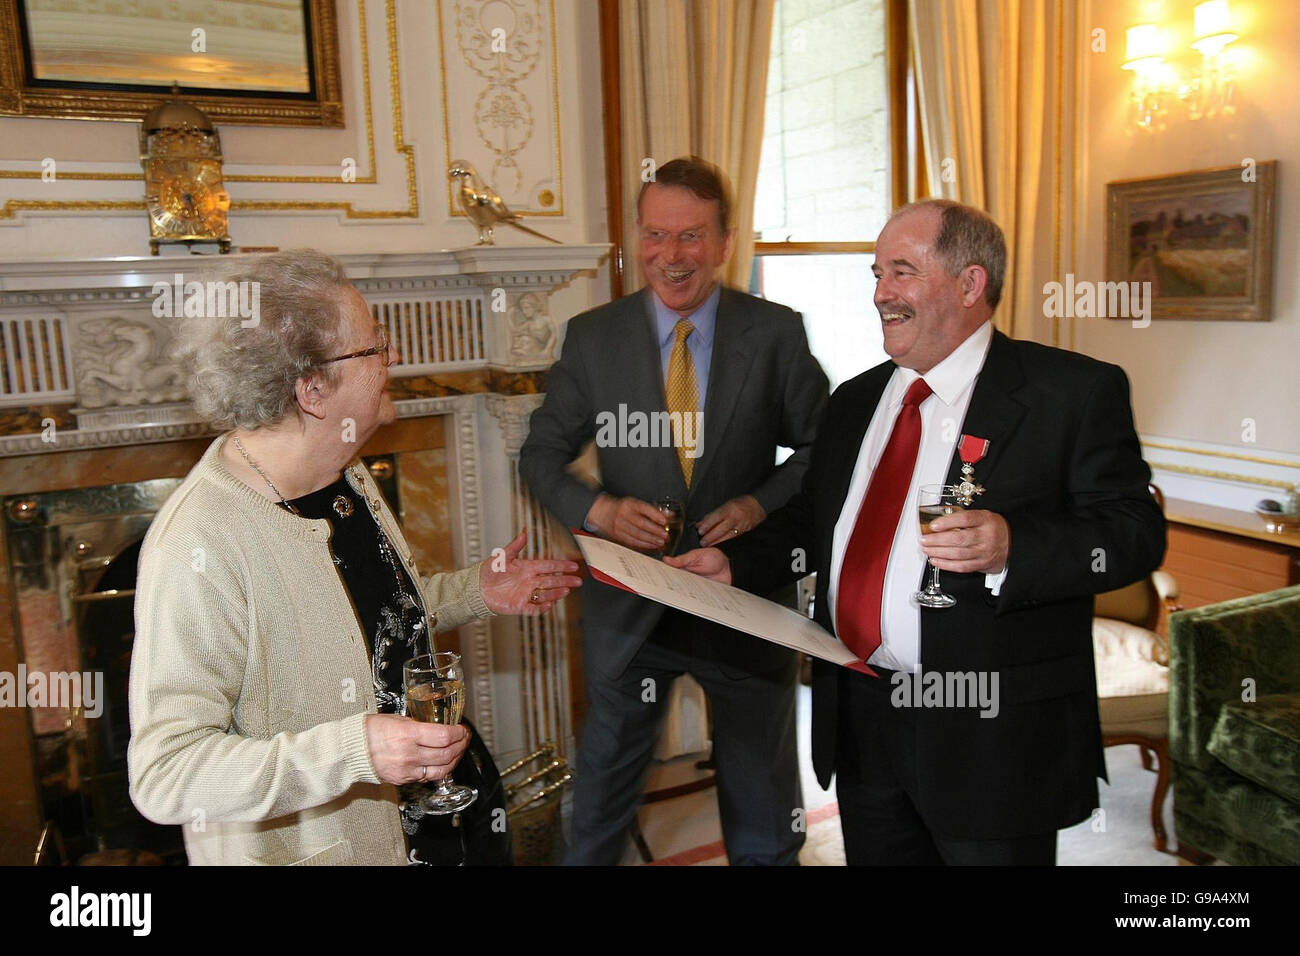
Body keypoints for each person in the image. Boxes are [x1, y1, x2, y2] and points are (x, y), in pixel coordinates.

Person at [669, 199, 1166, 865]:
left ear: (969, 283)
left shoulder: (1070, 393)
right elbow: (814, 523)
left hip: (993, 733)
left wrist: (1013, 546)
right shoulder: (853, 401)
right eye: (877, 275)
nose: (880, 294)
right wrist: (734, 565)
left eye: (901, 273)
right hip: (862, 713)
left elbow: (1133, 533)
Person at [127, 250, 583, 866]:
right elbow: (166, 774)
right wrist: (354, 752)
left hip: (443, 813)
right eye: (374, 348)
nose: (393, 359)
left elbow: (369, 621)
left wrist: (478, 590)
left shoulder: (340, 473)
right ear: (312, 389)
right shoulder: (200, 545)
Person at [519, 156, 829, 865]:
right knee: (597, 810)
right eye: (656, 235)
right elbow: (538, 456)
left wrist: (758, 503)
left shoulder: (776, 333)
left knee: (763, 817)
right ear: (636, 238)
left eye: (692, 236)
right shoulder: (594, 337)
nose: (672, 256)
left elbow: (823, 451)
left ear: (724, 242)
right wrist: (597, 509)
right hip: (632, 609)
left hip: (743, 604)